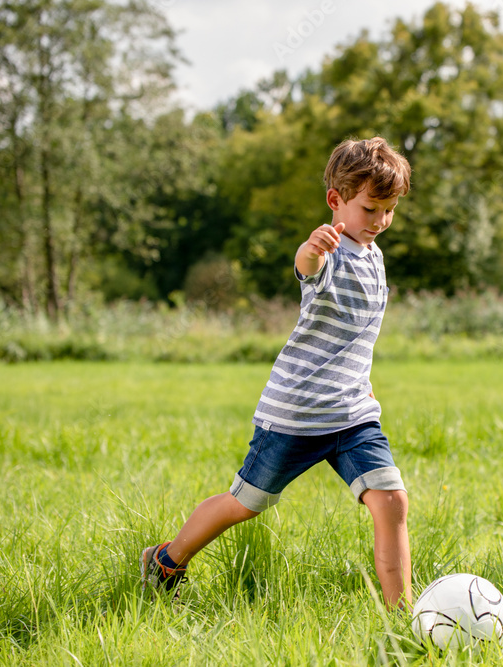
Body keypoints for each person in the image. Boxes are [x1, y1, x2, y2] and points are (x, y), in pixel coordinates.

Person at [141, 137, 413, 608]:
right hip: (295, 415)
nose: (380, 221)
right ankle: (166, 560)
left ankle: (402, 616)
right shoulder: (328, 254)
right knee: (246, 503)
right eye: (370, 208)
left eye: (389, 210)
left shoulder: (375, 256)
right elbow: (306, 267)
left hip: (352, 414)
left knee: (391, 502)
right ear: (336, 201)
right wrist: (311, 247)